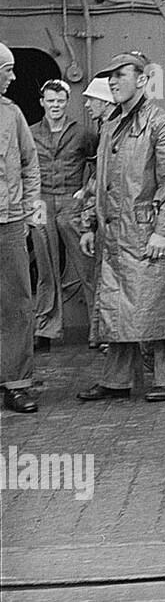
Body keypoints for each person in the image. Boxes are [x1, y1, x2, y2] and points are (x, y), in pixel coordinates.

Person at [77, 51, 165, 402]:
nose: (113, 82)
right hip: (118, 232)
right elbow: (97, 181)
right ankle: (116, 379)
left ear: (143, 80)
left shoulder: (163, 125)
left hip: (149, 233)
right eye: (110, 77)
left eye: (121, 75)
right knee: (119, 307)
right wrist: (89, 223)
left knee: (164, 306)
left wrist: (163, 230)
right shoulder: (111, 125)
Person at [30, 78, 98, 348]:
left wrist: (86, 192)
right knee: (46, 270)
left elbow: (96, 167)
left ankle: (99, 331)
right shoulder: (31, 132)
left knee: (87, 267)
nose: (55, 105)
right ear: (42, 103)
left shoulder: (83, 133)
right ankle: (45, 330)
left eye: (60, 101)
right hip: (40, 204)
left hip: (73, 203)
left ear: (66, 103)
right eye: (51, 101)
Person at [0, 42, 42, 413]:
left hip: (9, 223)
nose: (13, 77)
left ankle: (16, 383)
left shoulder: (11, 115)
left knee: (16, 304)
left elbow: (30, 165)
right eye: (7, 70)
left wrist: (26, 210)